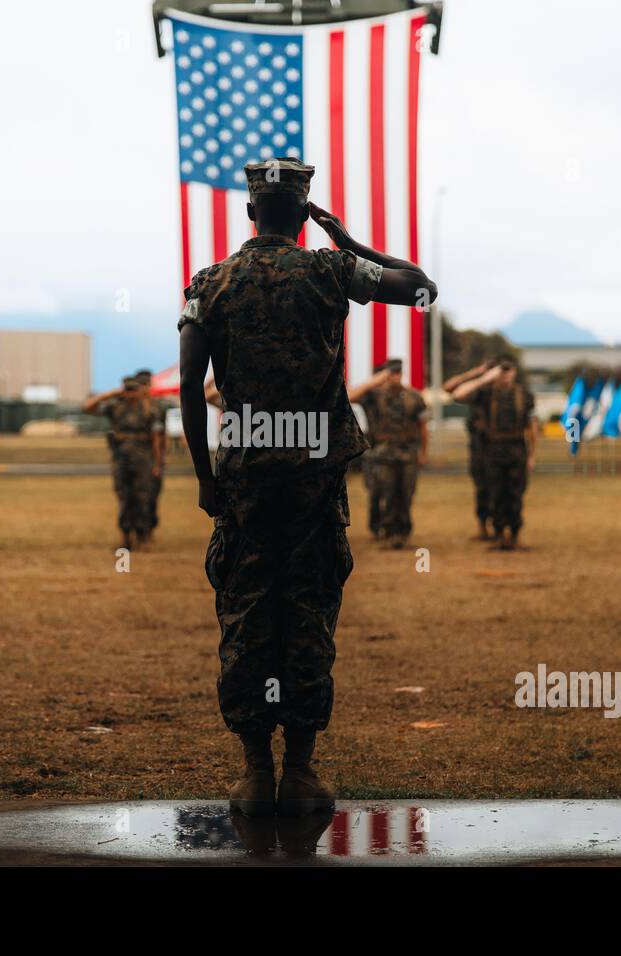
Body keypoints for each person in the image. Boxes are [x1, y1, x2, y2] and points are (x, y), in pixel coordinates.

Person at [178, 156, 437, 817]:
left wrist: (206, 480)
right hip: (314, 484)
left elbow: (187, 385)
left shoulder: (211, 282)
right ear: (303, 214)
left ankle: (253, 772)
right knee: (308, 611)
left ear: (248, 212)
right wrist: (347, 241)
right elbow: (421, 289)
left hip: (244, 482)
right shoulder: (330, 270)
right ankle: (300, 769)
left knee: (245, 612)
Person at [452, 356, 537, 550]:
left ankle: (514, 535)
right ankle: (498, 535)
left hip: (516, 449)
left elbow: (532, 425)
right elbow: (457, 394)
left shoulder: (524, 395)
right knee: (495, 494)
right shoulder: (485, 393)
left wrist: (532, 454)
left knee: (515, 494)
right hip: (492, 450)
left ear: (515, 372)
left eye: (508, 370)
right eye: (502, 370)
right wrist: (484, 378)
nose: (505, 374)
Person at [348, 357, 428, 549]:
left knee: (406, 494)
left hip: (408, 453)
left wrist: (423, 452)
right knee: (388, 493)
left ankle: (403, 532)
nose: (395, 376)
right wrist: (375, 381)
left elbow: (423, 427)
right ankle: (391, 533)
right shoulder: (373, 396)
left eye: (397, 372)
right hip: (383, 454)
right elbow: (349, 396)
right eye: (391, 373)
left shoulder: (414, 397)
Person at [82, 376, 164, 550]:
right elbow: (87, 407)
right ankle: (126, 537)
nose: (130, 393)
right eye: (127, 389)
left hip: (143, 460)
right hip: (121, 459)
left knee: (142, 497)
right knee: (124, 497)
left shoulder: (150, 409)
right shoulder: (115, 407)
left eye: (133, 389)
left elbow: (156, 439)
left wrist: (158, 464)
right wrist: (110, 394)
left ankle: (142, 536)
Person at [444, 360, 497, 539]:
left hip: (501, 449)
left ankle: (501, 527)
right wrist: (476, 373)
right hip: (480, 449)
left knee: (502, 489)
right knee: (482, 488)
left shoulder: (507, 392)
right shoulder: (477, 391)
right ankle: (483, 527)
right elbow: (450, 389)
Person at [134, 369, 169, 541]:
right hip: (134, 459)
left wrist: (161, 459)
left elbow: (163, 435)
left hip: (152, 458)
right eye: (141, 384)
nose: (144, 388)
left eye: (147, 384)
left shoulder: (158, 408)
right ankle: (138, 530)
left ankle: (149, 529)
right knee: (135, 496)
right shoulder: (130, 406)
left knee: (152, 495)